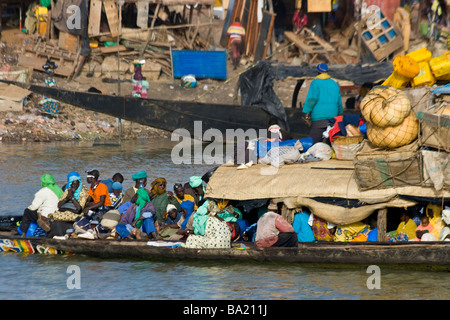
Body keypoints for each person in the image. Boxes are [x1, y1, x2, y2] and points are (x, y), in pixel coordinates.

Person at [302, 63, 343, 144]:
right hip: (333, 117)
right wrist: (339, 114)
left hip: (319, 117)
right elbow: (339, 101)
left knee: (313, 143)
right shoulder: (334, 83)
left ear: (318, 71)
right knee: (331, 143)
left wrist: (307, 112)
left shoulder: (315, 83)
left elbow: (312, 98)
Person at [48, 172, 89, 237]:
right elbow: (59, 205)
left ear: (79, 182)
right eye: (72, 184)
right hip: (64, 211)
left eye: (76, 184)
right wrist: (67, 197)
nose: (74, 186)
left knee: (60, 220)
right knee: (54, 219)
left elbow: (79, 208)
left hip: (75, 213)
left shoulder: (83, 192)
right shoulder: (68, 190)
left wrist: (72, 197)